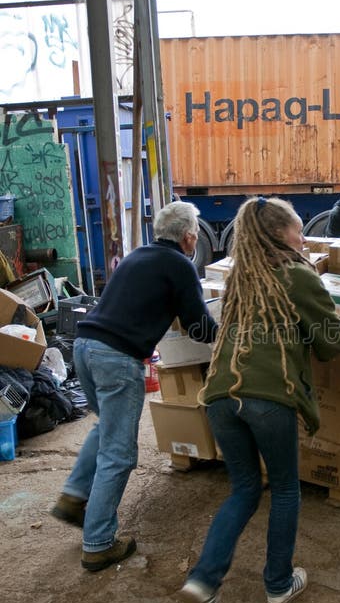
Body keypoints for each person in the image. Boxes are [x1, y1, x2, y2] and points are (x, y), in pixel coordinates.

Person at [179, 197, 340, 603]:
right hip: (268, 398)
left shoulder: (242, 279)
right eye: (296, 229)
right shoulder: (297, 276)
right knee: (286, 489)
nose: (303, 237)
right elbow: (332, 345)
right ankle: (277, 584)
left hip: (219, 398)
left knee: (244, 489)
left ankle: (203, 580)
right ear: (278, 235)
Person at [51, 201, 218, 572]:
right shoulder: (180, 265)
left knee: (106, 428)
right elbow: (200, 327)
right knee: (120, 452)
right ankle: (98, 543)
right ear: (190, 237)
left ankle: (75, 496)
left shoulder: (138, 255)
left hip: (84, 348)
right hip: (116, 359)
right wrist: (230, 335)